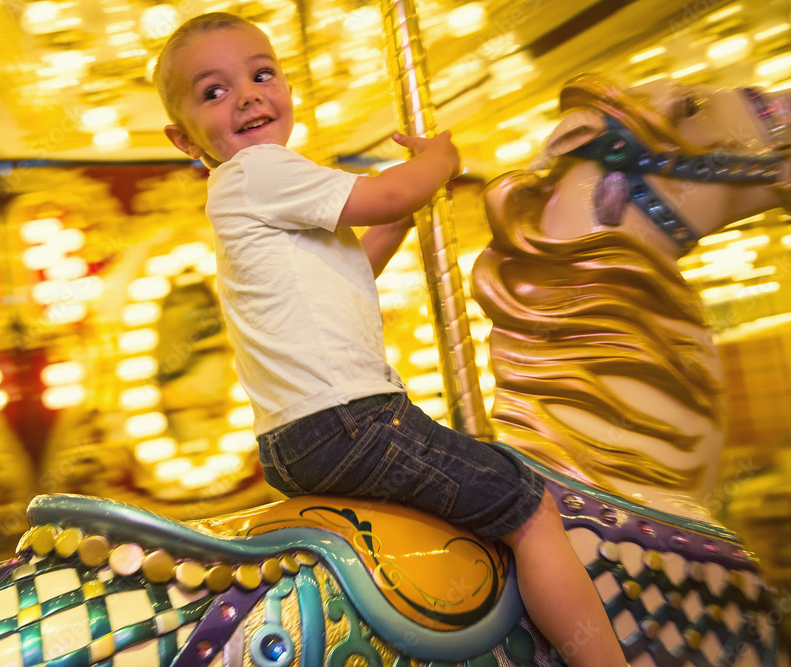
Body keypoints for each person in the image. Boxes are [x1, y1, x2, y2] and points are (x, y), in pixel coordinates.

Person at [153, 12, 627, 666]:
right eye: (214, 90)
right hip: (351, 419)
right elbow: (387, 193)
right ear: (184, 138)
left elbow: (354, 261)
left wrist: (405, 208)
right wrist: (436, 161)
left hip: (299, 438)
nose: (248, 94)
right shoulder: (259, 170)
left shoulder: (249, 193)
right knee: (527, 503)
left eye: (262, 74)